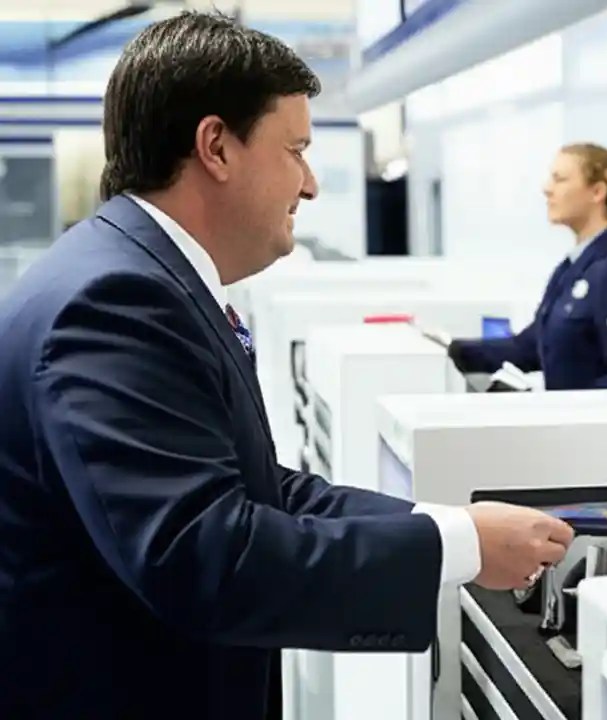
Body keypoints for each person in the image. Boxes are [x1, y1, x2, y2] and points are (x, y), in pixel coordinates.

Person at [0, 12, 573, 719]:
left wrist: (452, 524)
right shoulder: (116, 302)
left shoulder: (137, 277)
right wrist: (457, 545)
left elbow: (255, 489)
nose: (309, 185)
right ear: (216, 147)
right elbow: (206, 557)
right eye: (295, 149)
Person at [444, 143, 607, 389]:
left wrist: (564, 410)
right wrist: (452, 350)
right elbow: (528, 348)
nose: (547, 189)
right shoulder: (571, 270)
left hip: (583, 426)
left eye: (560, 179)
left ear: (597, 192)